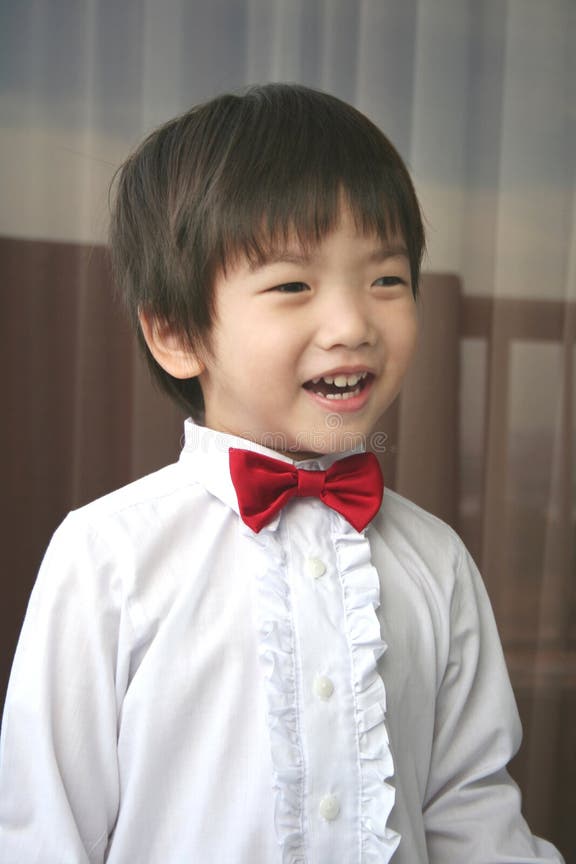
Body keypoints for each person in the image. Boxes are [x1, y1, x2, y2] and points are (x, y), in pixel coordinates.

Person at [0, 83, 564, 864]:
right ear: (174, 333)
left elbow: (470, 810)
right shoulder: (106, 557)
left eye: (387, 280)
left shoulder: (438, 565)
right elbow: (43, 832)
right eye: (293, 285)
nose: (352, 324)